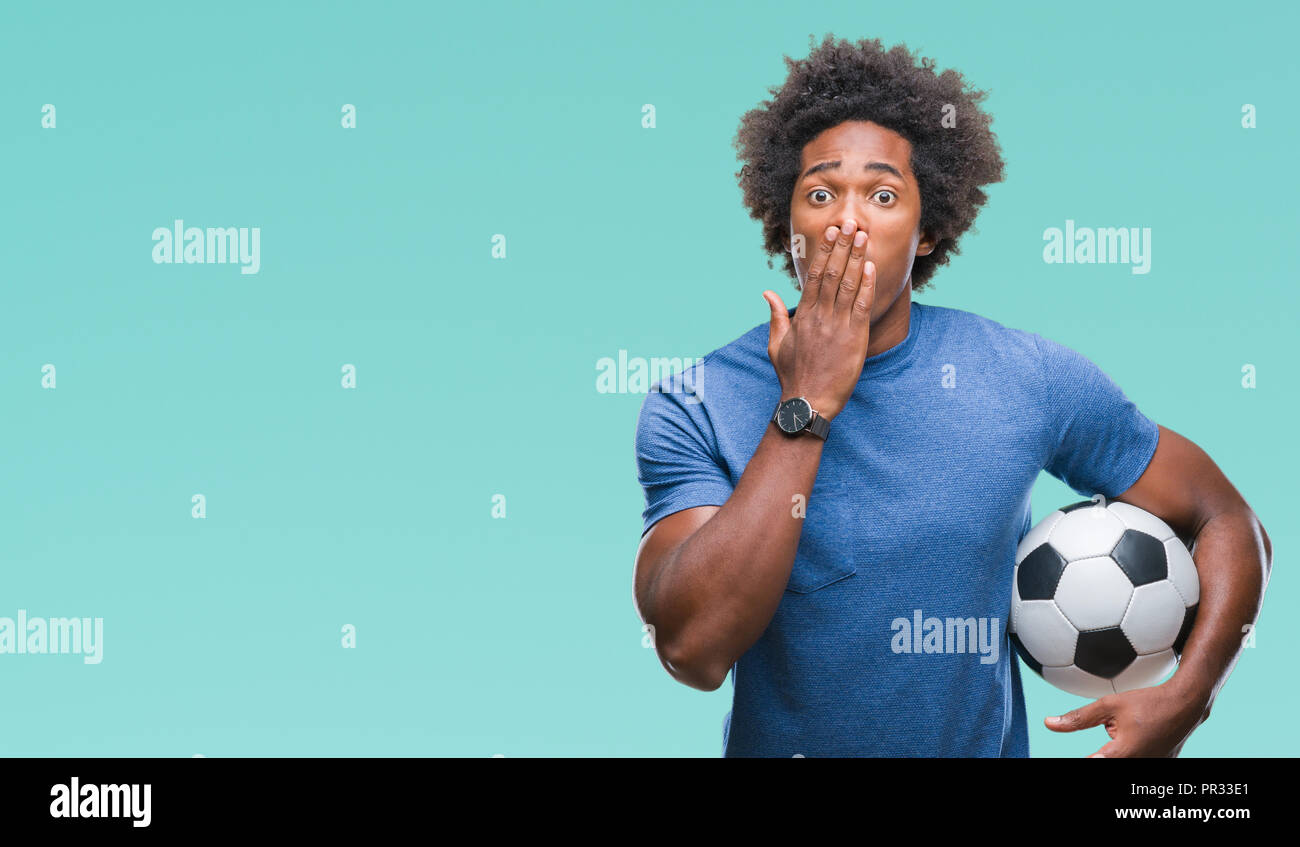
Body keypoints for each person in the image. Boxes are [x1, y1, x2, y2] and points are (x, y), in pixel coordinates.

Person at [632, 34, 1271, 757]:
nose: (847, 221)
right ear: (789, 227)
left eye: (881, 194)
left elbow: (1228, 520)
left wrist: (1189, 698)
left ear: (928, 231)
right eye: (819, 194)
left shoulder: (1025, 376)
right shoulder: (697, 400)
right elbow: (692, 649)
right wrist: (805, 404)